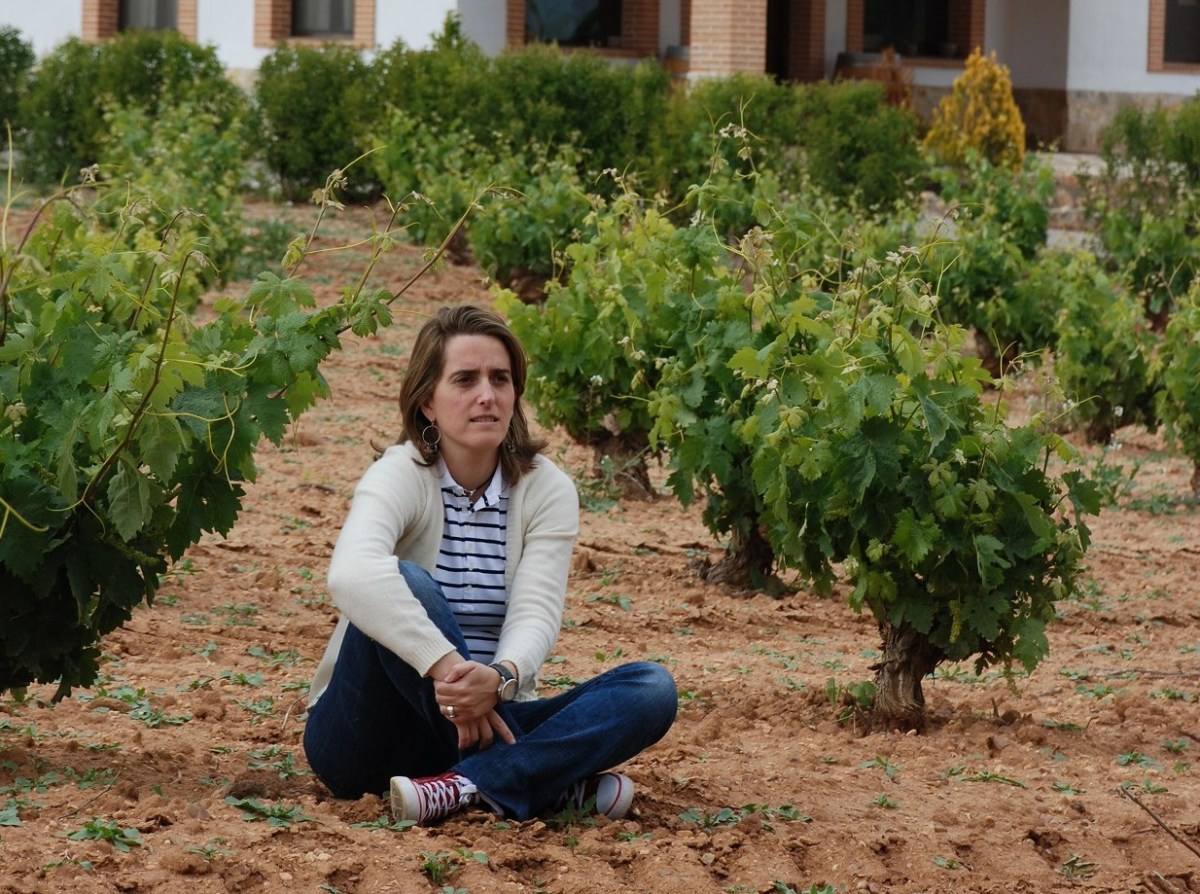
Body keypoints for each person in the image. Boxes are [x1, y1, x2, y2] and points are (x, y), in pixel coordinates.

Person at [302, 304, 678, 826]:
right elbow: (351, 574)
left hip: (490, 717)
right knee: (408, 582)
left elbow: (536, 614)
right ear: (428, 402)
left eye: (500, 378)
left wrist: (498, 680)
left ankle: (463, 787)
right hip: (365, 735)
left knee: (651, 689)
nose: (487, 394)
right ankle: (542, 780)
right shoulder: (401, 473)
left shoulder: (546, 490)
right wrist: (450, 674)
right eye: (465, 379)